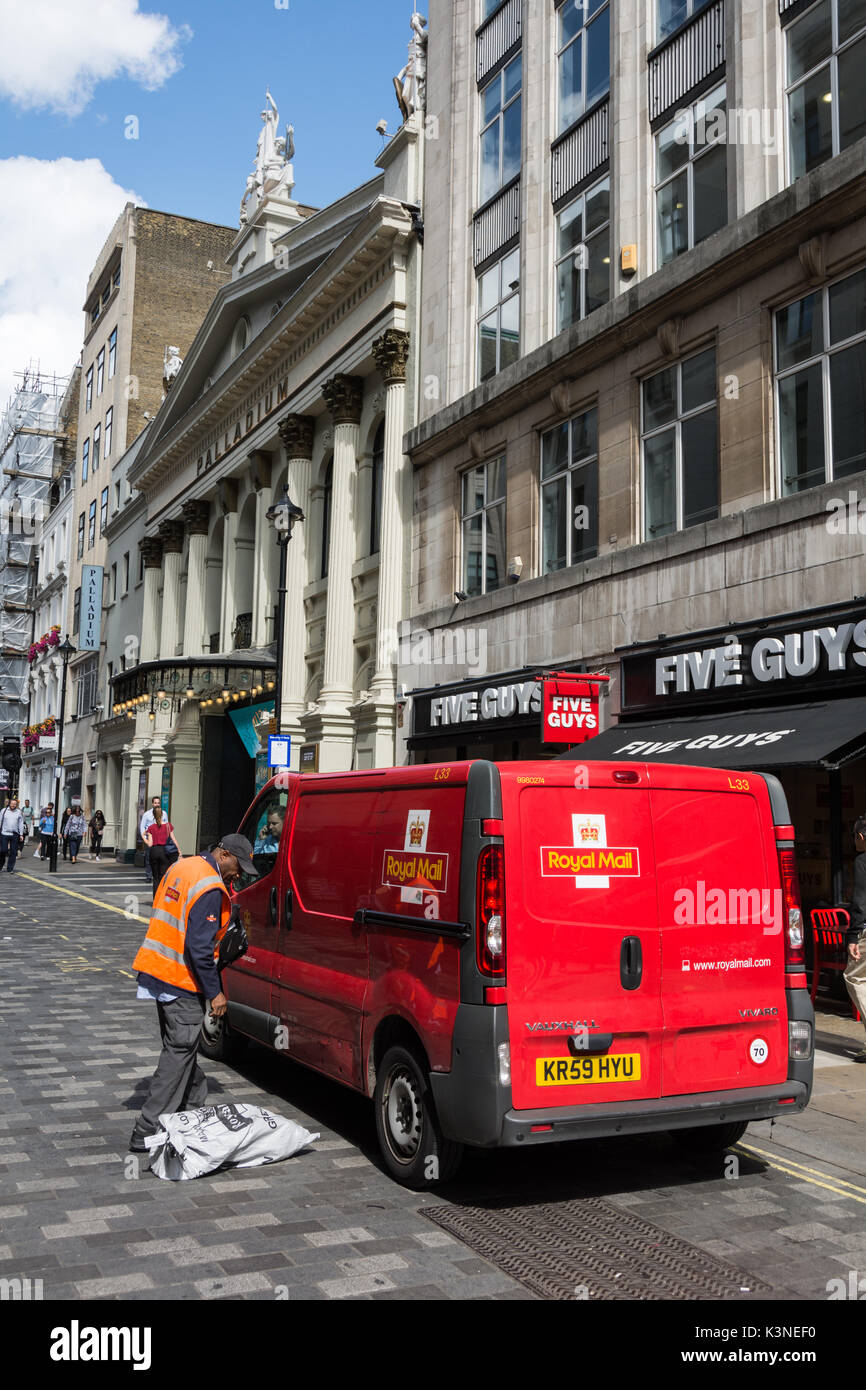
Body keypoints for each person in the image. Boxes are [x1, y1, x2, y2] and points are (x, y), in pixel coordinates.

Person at [128, 833, 259, 1153]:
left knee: (183, 1050)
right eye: (238, 866)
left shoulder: (181, 866)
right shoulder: (210, 887)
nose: (238, 875)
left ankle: (194, 1113)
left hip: (157, 971)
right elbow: (199, 948)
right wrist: (215, 993)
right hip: (181, 979)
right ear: (224, 854)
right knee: (178, 1053)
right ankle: (148, 1128)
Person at [844, 814, 866, 1062]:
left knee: (854, 977)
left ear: (860, 837)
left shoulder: (862, 861)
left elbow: (860, 900)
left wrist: (853, 935)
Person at [143, 806, 181, 893]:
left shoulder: (151, 827)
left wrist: (143, 837)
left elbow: (150, 844)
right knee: (163, 877)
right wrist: (179, 850)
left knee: (155, 877)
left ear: (153, 815)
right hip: (165, 852)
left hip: (154, 852)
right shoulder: (168, 826)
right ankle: (161, 899)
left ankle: (155, 900)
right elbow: (173, 839)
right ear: (163, 814)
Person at [139, 796, 161, 883]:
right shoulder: (147, 814)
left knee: (159, 858)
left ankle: (157, 875)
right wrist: (145, 839)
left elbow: (166, 825)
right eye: (155, 803)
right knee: (149, 858)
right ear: (152, 804)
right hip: (150, 839)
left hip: (160, 839)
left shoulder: (163, 813)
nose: (157, 804)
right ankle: (148, 875)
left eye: (158, 803)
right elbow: (142, 827)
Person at [0, 797, 25, 874]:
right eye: (12, 803)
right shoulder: (3, 811)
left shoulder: (19, 812)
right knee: (3, 850)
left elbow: (21, 824)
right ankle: (0, 865)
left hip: (15, 834)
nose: (13, 805)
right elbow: (0, 821)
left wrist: (21, 834)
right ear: (9, 803)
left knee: (13, 852)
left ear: (16, 805)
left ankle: (10, 868)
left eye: (15, 804)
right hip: (4, 833)